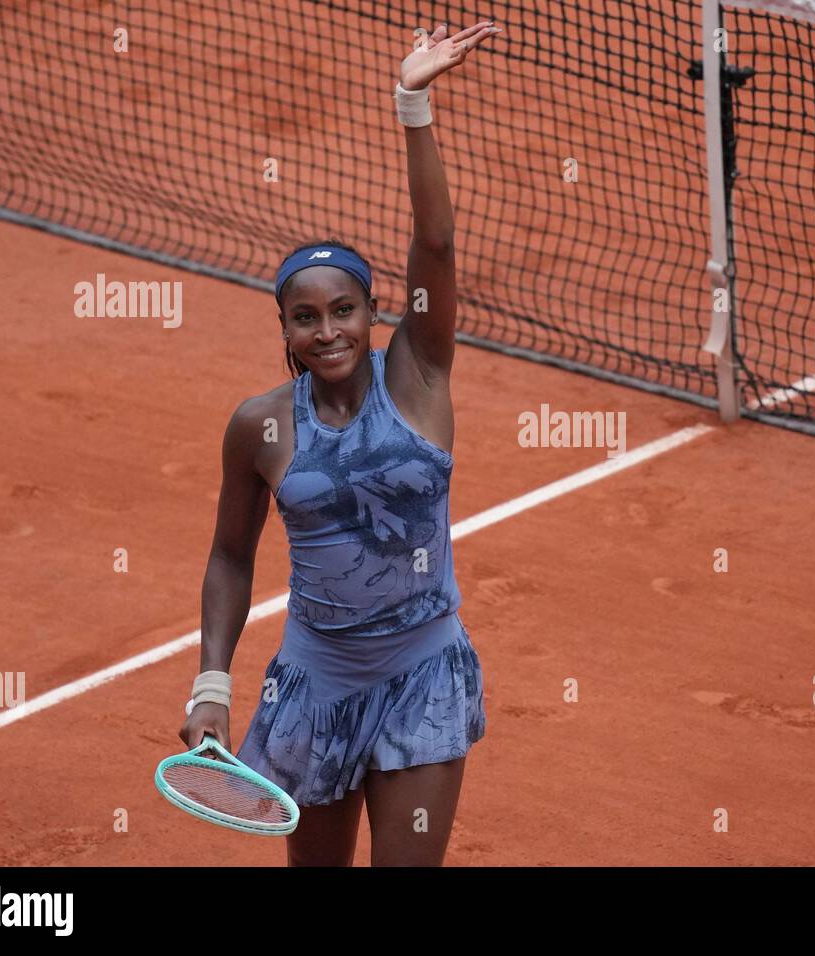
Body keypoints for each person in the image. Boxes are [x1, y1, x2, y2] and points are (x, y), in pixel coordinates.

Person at [177, 20, 502, 866]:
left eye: (344, 309)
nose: (328, 331)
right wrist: (213, 682)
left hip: (424, 673)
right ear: (284, 328)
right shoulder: (260, 425)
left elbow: (435, 244)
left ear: (373, 313)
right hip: (314, 686)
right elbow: (228, 558)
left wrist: (413, 102)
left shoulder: (418, 376)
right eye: (306, 317)